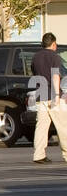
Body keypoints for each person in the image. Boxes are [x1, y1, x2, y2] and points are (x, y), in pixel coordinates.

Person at [31, 33, 67, 164]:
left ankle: (39, 155)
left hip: (41, 95)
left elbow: (35, 75)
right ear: (53, 44)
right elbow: (55, 76)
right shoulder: (55, 57)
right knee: (63, 127)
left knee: (41, 127)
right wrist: (57, 96)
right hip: (53, 96)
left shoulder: (35, 57)